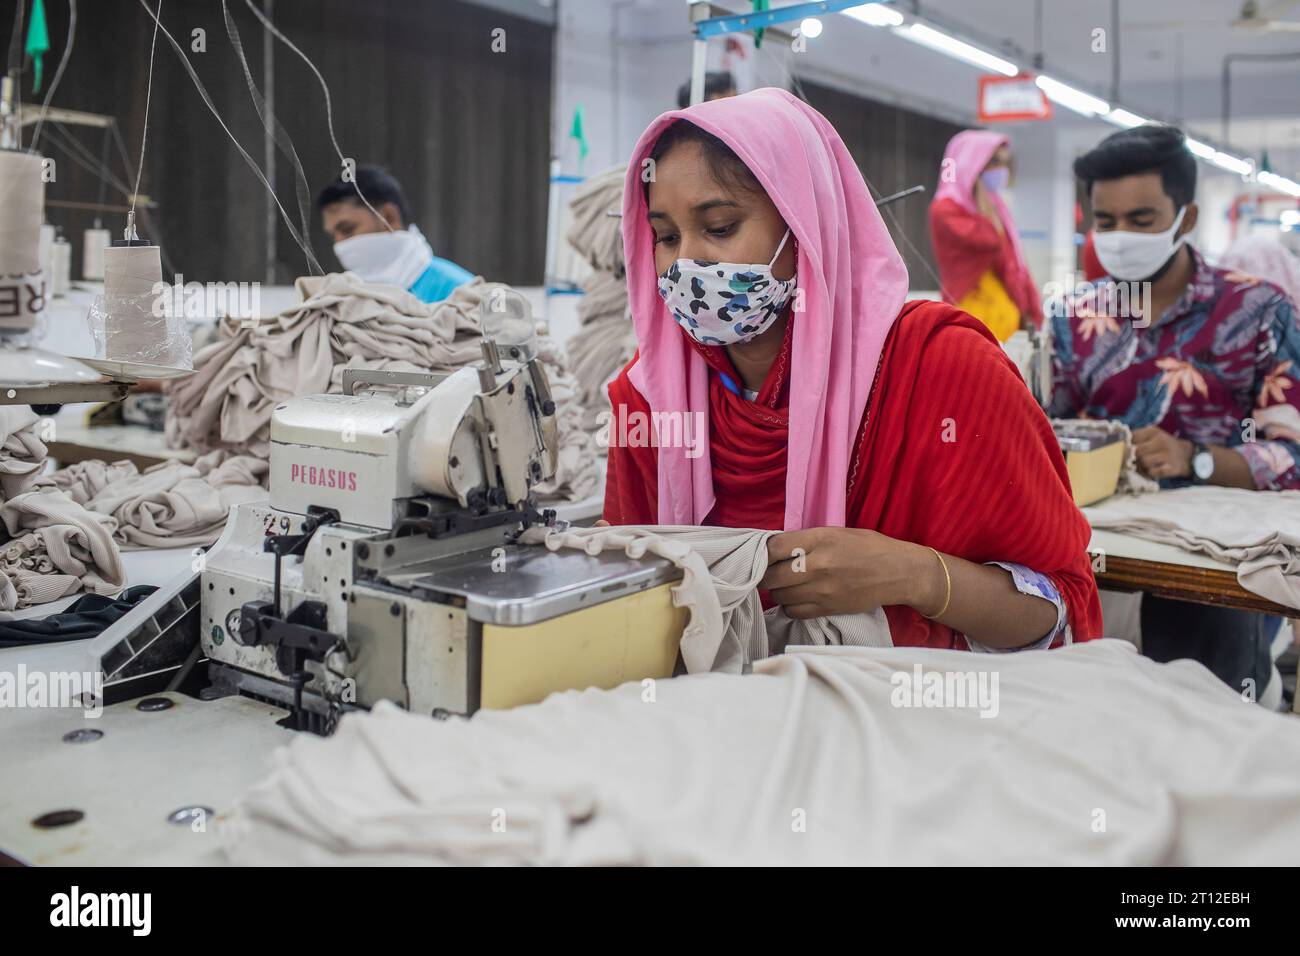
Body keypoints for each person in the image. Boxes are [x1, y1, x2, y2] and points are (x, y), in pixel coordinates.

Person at [603, 88, 1101, 651]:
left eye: (718, 227)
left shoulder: (943, 370)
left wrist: (917, 576)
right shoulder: (650, 398)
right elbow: (626, 591)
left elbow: (1061, 609)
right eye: (666, 237)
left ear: (806, 225)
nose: (685, 262)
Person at [1050, 123, 1300, 699]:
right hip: (1102, 545)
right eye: (1105, 222)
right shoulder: (1074, 319)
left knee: (1198, 681)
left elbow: (1293, 454)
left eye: (1141, 221)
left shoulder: (1258, 312)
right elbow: (1048, 432)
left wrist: (1200, 459)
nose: (1119, 237)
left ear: (1186, 219)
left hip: (1209, 564)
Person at [928, 130, 1042, 342]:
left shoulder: (997, 206)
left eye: (1005, 162)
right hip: (970, 322)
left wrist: (1029, 306)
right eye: (994, 161)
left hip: (1007, 325)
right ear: (970, 163)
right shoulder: (944, 210)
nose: (1002, 170)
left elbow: (1012, 263)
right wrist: (986, 211)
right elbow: (988, 242)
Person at [316, 164, 473, 303]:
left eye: (347, 229)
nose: (339, 244)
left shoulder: (460, 292)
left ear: (389, 217)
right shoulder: (342, 299)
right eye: (333, 235)